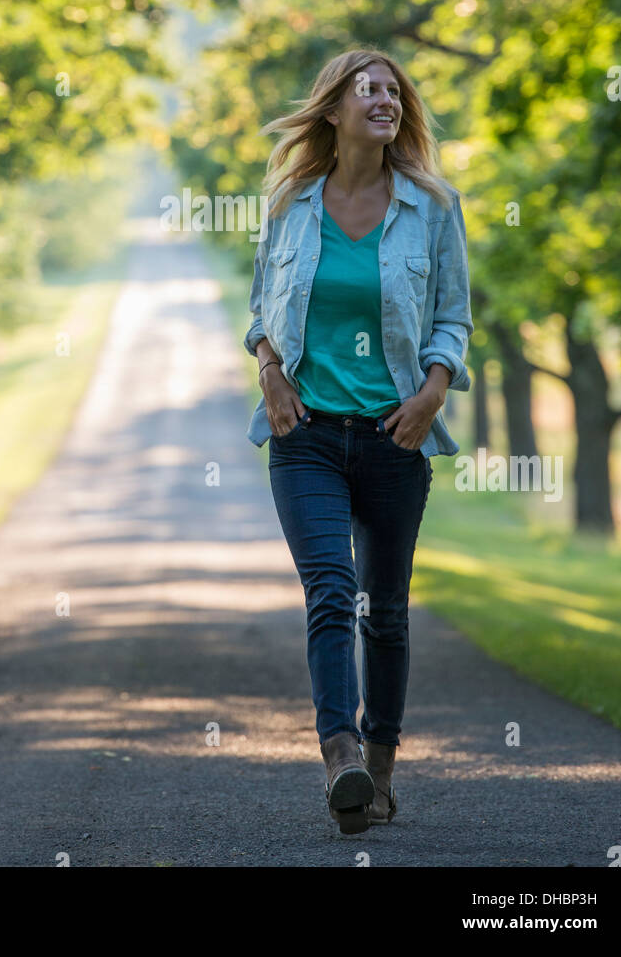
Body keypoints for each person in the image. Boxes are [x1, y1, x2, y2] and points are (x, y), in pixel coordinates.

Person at [244, 47, 473, 834]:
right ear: (332, 110)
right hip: (305, 433)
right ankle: (337, 751)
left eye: (391, 89)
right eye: (364, 88)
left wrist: (431, 391)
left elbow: (453, 316)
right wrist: (270, 371)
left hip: (393, 437)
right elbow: (258, 311)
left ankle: (377, 769)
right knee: (331, 591)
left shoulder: (433, 207)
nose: (383, 98)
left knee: (387, 612)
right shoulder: (289, 204)